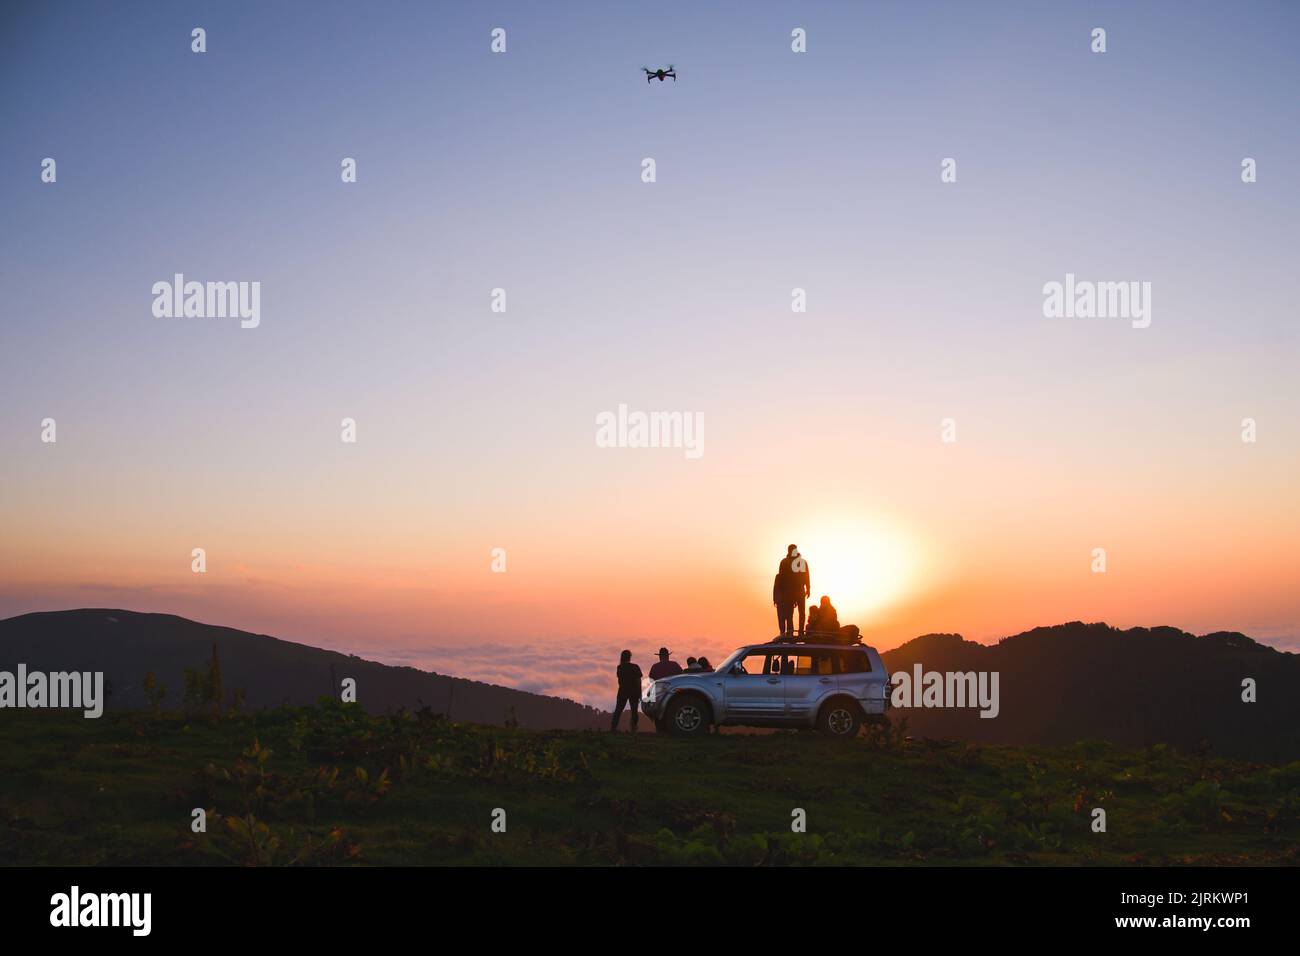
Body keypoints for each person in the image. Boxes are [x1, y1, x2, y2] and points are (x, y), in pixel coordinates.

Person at [773, 544, 811, 637]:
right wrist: (780, 595)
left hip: (799, 590)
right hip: (790, 592)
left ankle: (801, 632)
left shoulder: (802, 562)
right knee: (790, 614)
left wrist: (808, 588)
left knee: (801, 612)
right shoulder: (784, 562)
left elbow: (806, 576)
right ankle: (789, 633)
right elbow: (781, 578)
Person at [611, 650, 642, 732]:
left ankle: (613, 727)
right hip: (634, 691)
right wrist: (640, 693)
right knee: (634, 711)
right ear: (630, 657)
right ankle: (634, 728)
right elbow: (639, 681)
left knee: (618, 710)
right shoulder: (635, 667)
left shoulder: (620, 667)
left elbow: (620, 681)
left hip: (623, 691)